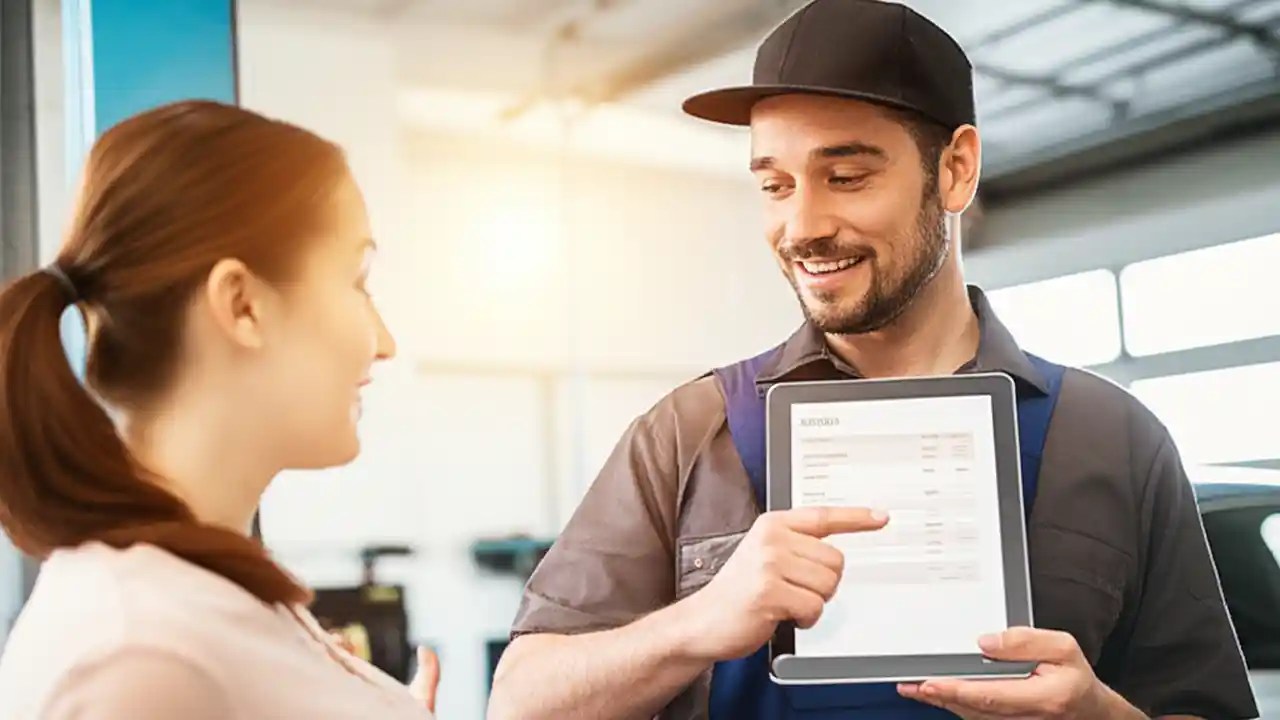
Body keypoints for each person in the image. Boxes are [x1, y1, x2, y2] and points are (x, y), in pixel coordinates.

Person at [487, 1, 1258, 719]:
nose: (802, 225)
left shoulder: (1113, 438)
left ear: (955, 169)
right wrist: (697, 625)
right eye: (774, 184)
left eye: (846, 177)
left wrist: (1103, 715)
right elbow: (520, 700)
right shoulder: (689, 433)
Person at [0, 101, 439, 719]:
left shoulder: (208, 596)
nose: (385, 341)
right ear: (242, 305)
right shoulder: (136, 656)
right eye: (356, 282)